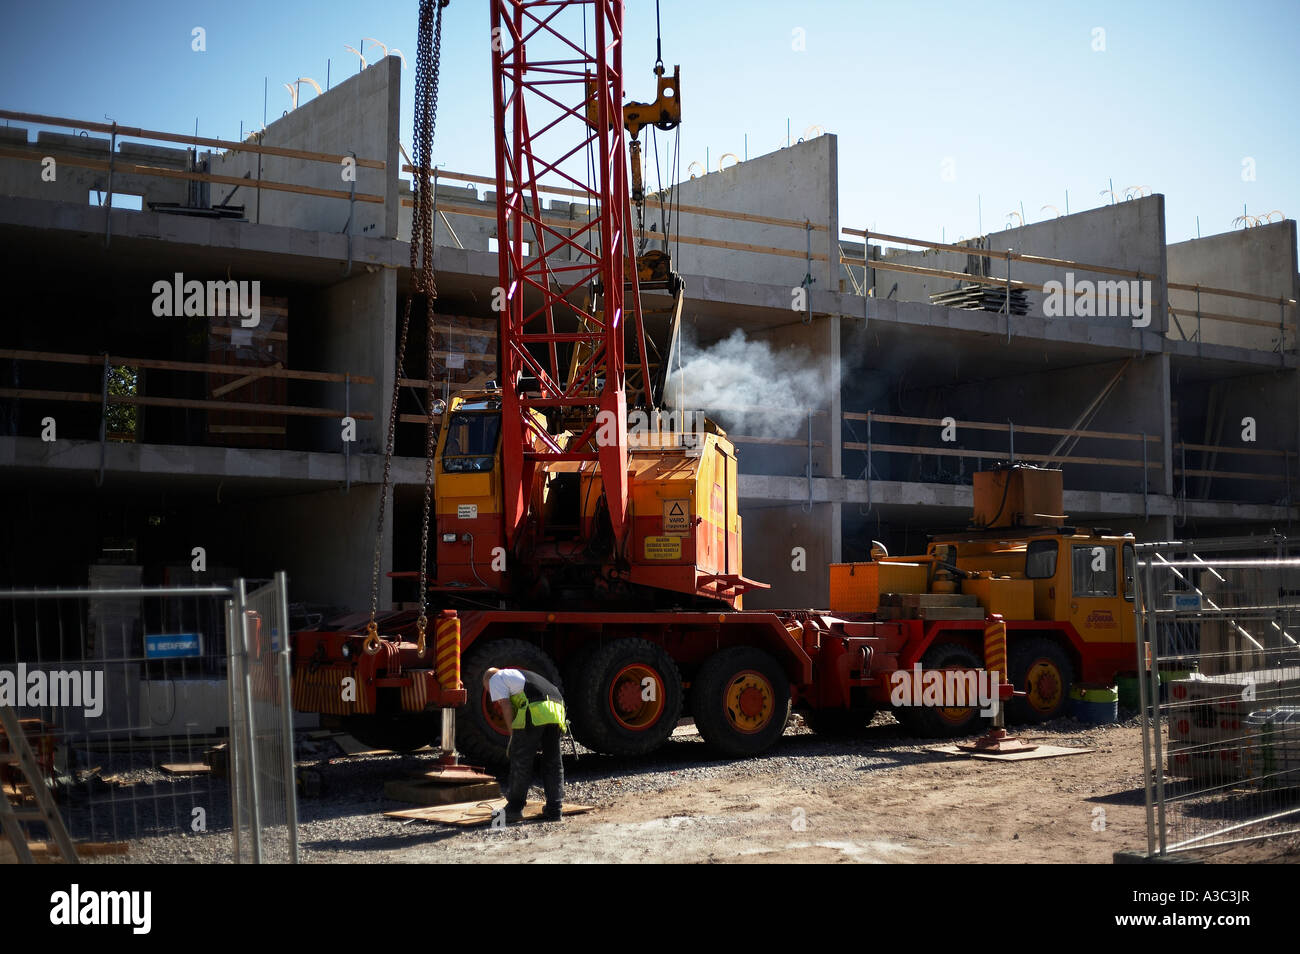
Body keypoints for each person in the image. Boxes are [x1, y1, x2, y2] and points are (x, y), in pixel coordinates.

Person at [484, 666, 567, 823]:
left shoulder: (495, 678)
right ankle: (555, 809)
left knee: (521, 759)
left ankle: (514, 808)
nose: (490, 694)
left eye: (487, 690)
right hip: (557, 708)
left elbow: (506, 707)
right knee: (553, 762)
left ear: (486, 682)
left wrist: (512, 737)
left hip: (536, 709)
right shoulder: (519, 676)